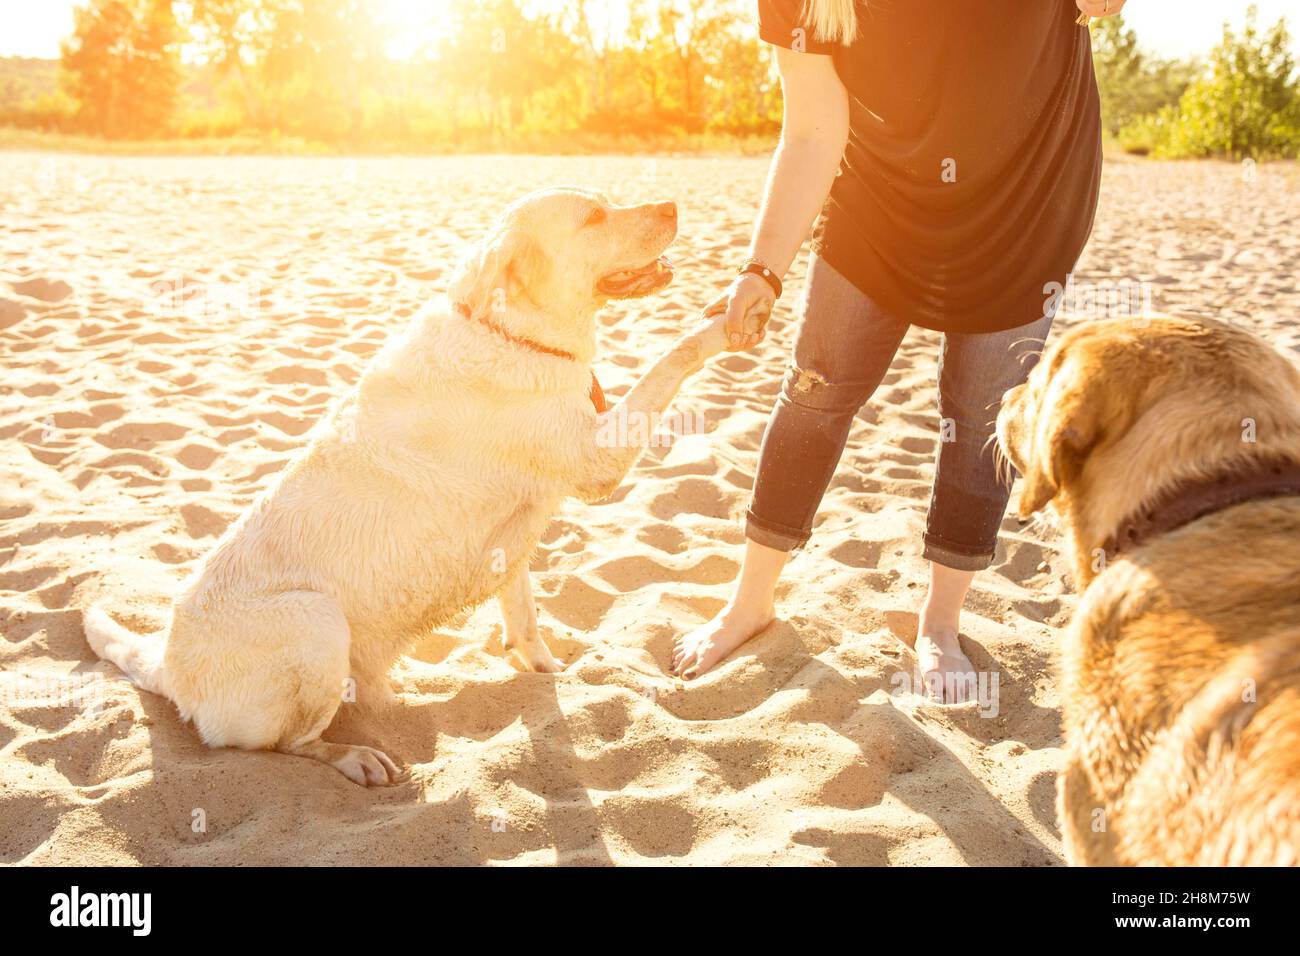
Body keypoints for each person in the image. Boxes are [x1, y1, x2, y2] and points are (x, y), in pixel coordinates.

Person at [671, 0, 1120, 700]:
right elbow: (814, 132)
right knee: (816, 386)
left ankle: (939, 623)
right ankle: (749, 600)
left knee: (980, 416)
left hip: (1029, 202)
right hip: (882, 197)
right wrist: (762, 269)